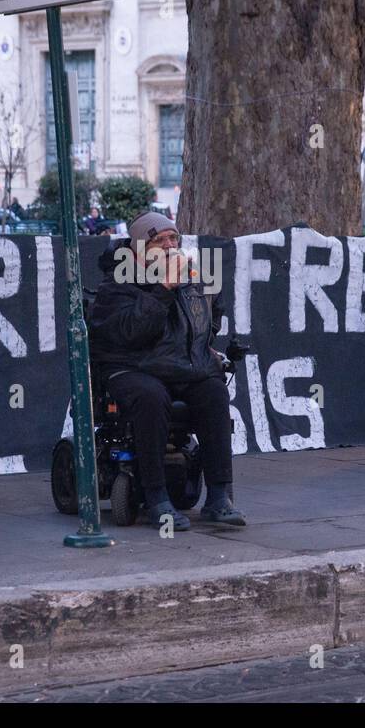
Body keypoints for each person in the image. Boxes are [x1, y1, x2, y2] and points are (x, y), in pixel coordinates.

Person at [88, 211, 245, 531]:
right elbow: (132, 333)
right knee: (150, 396)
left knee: (214, 389)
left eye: (174, 239)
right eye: (160, 241)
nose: (170, 246)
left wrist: (204, 345)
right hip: (132, 365)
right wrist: (163, 289)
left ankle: (218, 496)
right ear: (137, 250)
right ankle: (157, 496)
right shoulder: (117, 283)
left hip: (182, 364)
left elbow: (211, 313)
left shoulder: (194, 275)